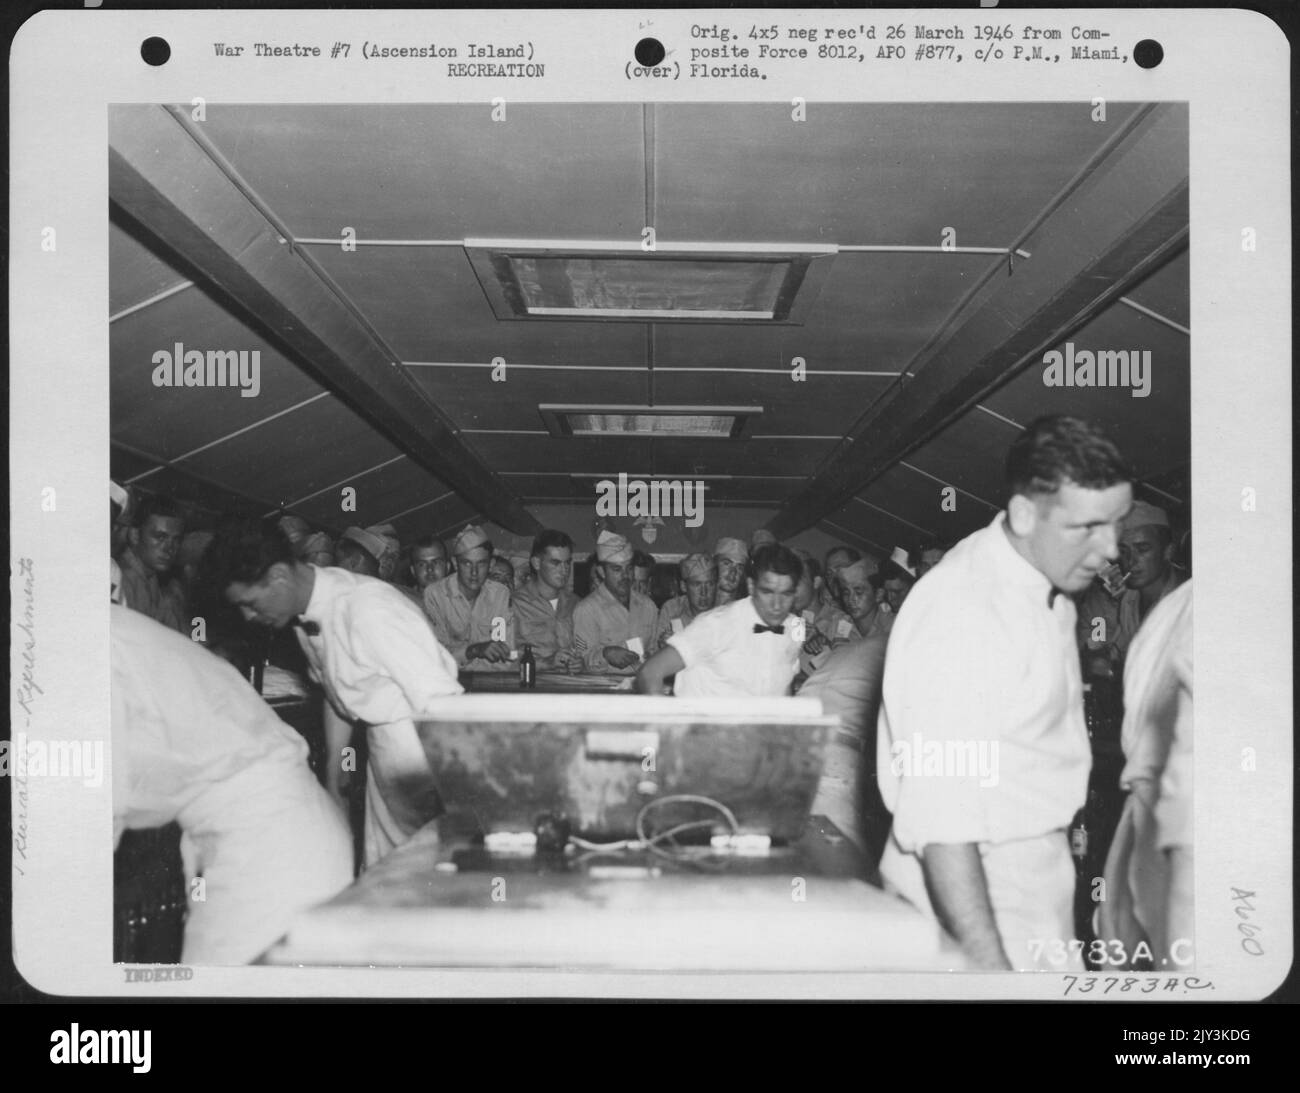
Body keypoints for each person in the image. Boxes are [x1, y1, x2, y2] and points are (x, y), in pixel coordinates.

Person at [877, 414, 1133, 971]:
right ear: (1023, 513)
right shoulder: (965, 611)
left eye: (1117, 523)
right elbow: (944, 826)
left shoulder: (1044, 576)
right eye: (1088, 527)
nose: (1110, 548)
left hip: (1034, 875)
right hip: (977, 892)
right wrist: (994, 980)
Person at [210, 520, 463, 869]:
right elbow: (337, 691)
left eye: (251, 603)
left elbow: (446, 706)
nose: (249, 616)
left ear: (280, 576)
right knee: (384, 873)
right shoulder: (306, 615)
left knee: (428, 879)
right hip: (384, 757)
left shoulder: (370, 609)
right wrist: (334, 770)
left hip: (424, 760)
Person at [111, 604, 353, 963]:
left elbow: (98, 818)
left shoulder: (97, 648)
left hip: (273, 852)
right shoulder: (118, 636)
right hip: (247, 841)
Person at [1096, 581, 1193, 970]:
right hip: (1148, 788)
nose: (1128, 561)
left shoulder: (1186, 605)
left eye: (1143, 548)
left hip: (1177, 797)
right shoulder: (1166, 609)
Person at [636, 543, 803, 698]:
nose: (777, 605)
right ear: (751, 586)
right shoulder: (717, 624)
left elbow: (785, 686)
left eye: (786, 594)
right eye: (768, 592)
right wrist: (669, 726)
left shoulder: (795, 627)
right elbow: (650, 673)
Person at [799, 632, 892, 863]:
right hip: (831, 755)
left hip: (790, 748)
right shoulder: (899, 648)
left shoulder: (852, 647)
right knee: (842, 864)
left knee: (806, 857)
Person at [423, 524, 515, 670]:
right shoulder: (435, 595)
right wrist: (474, 651)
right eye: (467, 563)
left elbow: (504, 651)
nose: (474, 572)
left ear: (491, 565)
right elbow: (437, 657)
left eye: (481, 564)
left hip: (489, 682)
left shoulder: (499, 595)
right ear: (455, 563)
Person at [572, 530, 658, 674]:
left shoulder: (648, 606)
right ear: (601, 572)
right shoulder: (587, 610)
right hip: (605, 691)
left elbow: (654, 651)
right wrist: (606, 654)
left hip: (641, 687)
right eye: (617, 569)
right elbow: (581, 661)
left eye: (629, 568)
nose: (625, 576)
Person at [117, 493, 188, 633]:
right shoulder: (123, 579)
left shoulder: (151, 580)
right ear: (135, 536)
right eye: (160, 537)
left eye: (176, 540)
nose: (169, 548)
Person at [512, 529, 579, 670]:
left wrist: (582, 663)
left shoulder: (576, 603)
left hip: (570, 686)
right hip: (531, 688)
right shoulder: (515, 604)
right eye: (555, 563)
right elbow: (505, 657)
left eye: (567, 563)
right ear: (536, 563)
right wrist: (547, 663)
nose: (564, 570)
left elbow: (586, 648)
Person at [652, 553, 718, 654]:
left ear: (716, 586)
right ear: (683, 587)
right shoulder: (672, 609)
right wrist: (663, 646)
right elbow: (655, 653)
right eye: (697, 584)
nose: (704, 592)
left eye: (709, 584)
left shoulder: (725, 612)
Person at [839, 558, 892, 641]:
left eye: (858, 592)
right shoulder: (840, 624)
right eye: (846, 593)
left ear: (878, 594)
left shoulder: (893, 626)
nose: (851, 599)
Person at [712, 537, 750, 605]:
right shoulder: (696, 605)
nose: (733, 572)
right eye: (727, 563)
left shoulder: (745, 608)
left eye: (739, 567)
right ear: (714, 564)